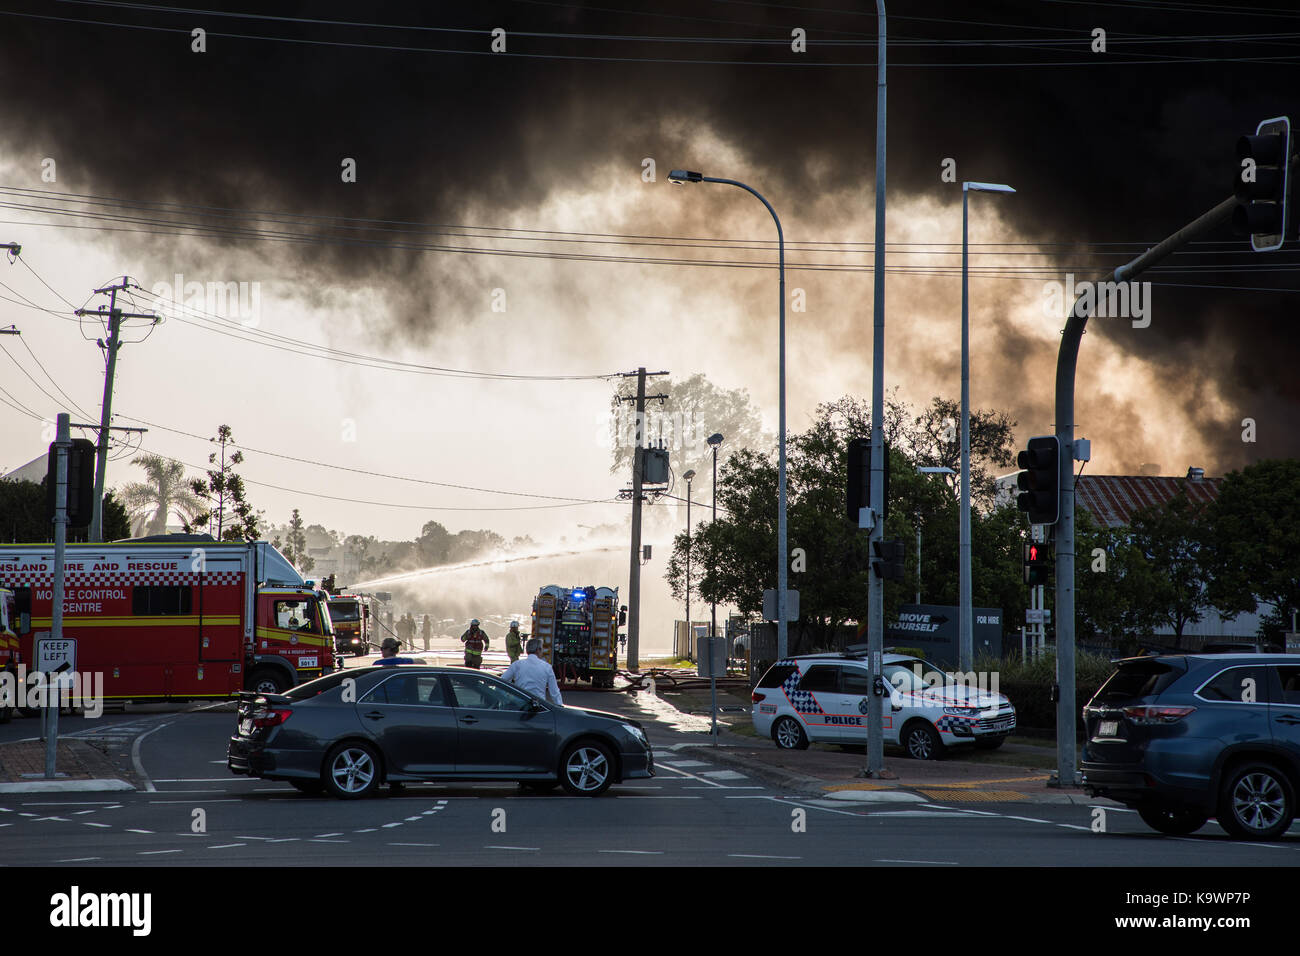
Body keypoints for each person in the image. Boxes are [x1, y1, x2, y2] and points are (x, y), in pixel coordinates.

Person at [501, 638, 563, 705]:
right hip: (539, 706)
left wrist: (506, 698)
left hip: (520, 705)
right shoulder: (547, 667)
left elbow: (502, 682)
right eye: (541, 649)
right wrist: (560, 705)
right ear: (538, 650)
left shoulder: (516, 665)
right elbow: (554, 692)